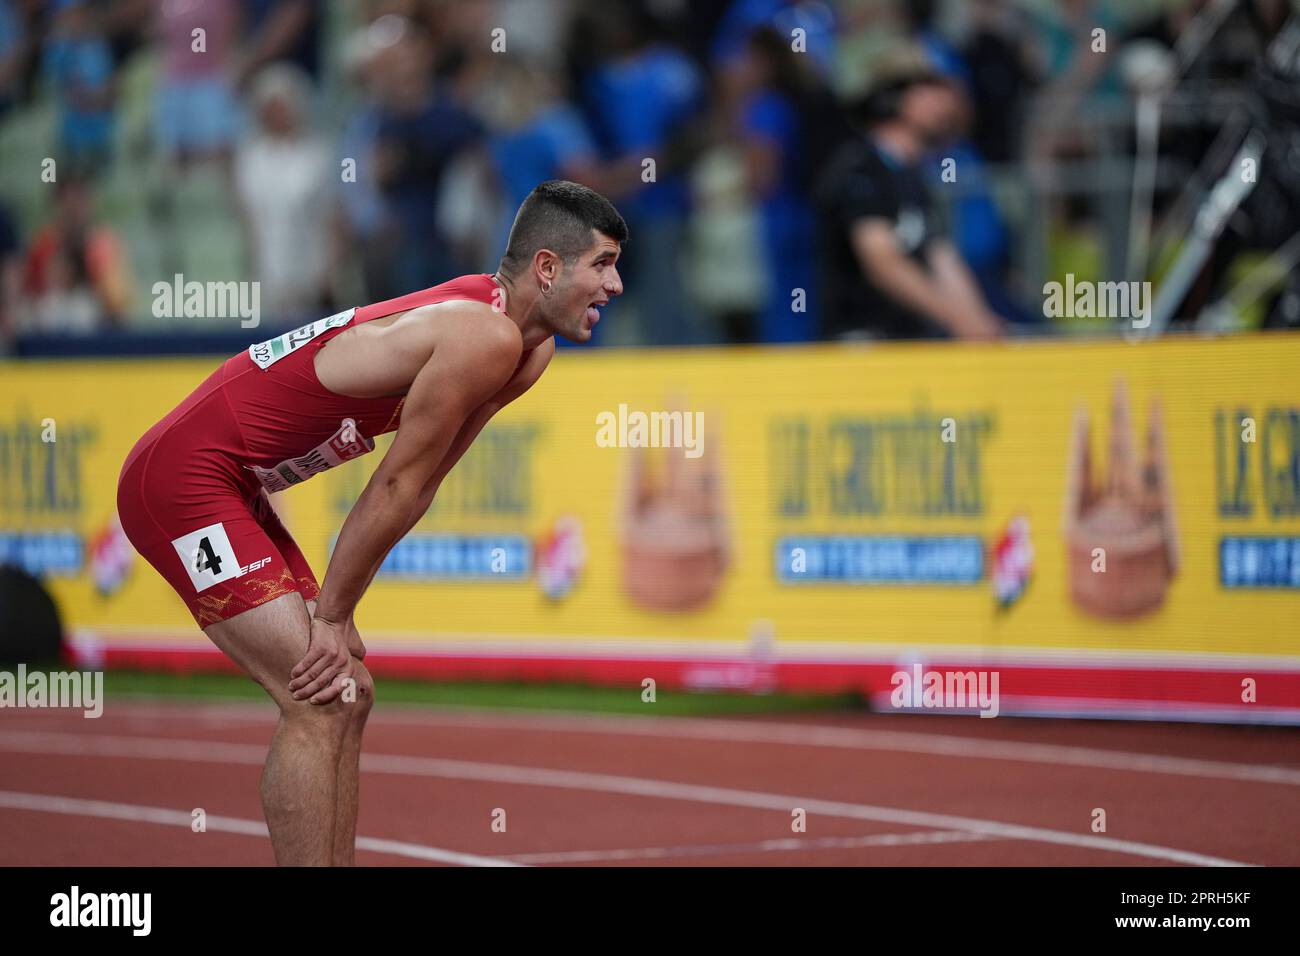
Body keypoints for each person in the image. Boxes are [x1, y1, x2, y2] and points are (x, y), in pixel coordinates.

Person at [115, 181, 627, 866]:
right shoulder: (482, 333)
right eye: (602, 263)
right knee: (319, 699)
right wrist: (332, 615)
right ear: (546, 267)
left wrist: (339, 607)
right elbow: (397, 481)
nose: (616, 285)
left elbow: (424, 483)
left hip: (231, 485)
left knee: (349, 692)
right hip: (180, 481)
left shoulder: (525, 350)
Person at [814, 58, 1004, 341]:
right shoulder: (861, 170)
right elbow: (882, 263)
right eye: (928, 91)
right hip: (862, 343)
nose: (945, 105)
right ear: (890, 100)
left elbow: (940, 255)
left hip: (909, 341)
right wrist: (960, 320)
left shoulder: (913, 176)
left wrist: (979, 321)